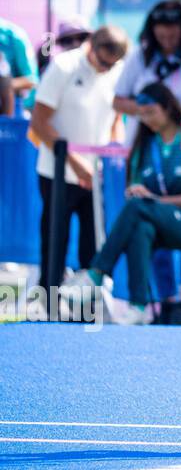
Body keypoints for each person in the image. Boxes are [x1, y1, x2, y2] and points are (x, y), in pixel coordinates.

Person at [70, 82, 181, 325]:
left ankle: (96, 273)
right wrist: (139, 194)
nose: (147, 119)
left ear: (168, 108)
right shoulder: (144, 146)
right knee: (140, 225)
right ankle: (138, 305)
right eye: (141, 115)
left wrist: (155, 201)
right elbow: (136, 191)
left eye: (151, 112)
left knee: (139, 208)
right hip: (157, 222)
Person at [30, 26, 128, 295]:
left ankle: (86, 304)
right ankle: (47, 300)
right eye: (103, 62)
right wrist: (72, 161)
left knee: (93, 243)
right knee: (55, 239)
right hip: (57, 172)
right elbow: (39, 120)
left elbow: (116, 118)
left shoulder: (117, 71)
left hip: (95, 175)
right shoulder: (63, 67)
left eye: (113, 64)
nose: (107, 69)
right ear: (91, 47)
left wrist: (112, 153)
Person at [113, 0, 181, 120]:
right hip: (142, 137)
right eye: (161, 37)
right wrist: (148, 110)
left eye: (173, 37)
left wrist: (178, 114)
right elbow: (118, 101)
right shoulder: (139, 56)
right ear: (152, 32)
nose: (167, 42)